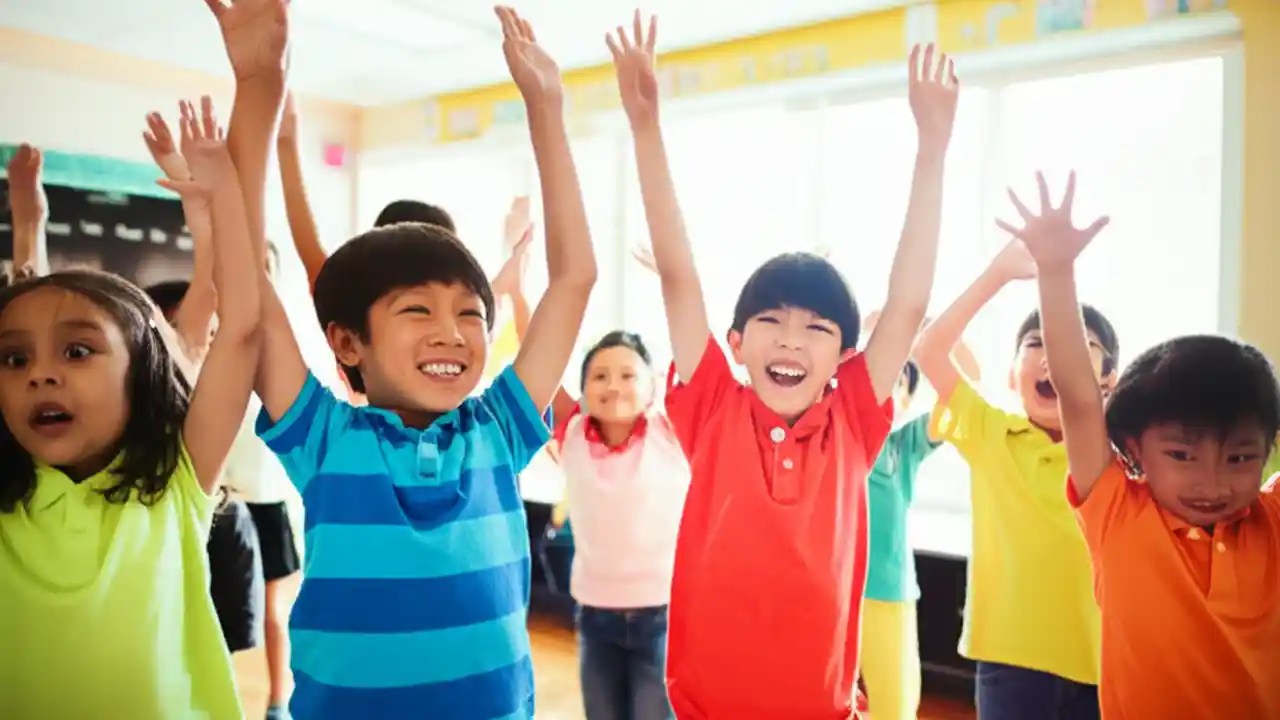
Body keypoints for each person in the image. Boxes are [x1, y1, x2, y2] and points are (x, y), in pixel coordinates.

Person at [238, 5, 597, 717]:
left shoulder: (497, 430)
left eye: (469, 313)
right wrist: (258, 91)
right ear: (348, 344)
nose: (452, 333)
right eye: (418, 311)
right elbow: (249, 286)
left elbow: (573, 278)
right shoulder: (326, 437)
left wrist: (547, 111)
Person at [612, 10, 960, 715]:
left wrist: (932, 149)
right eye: (770, 322)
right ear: (736, 343)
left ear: (845, 356)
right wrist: (645, 127)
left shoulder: (855, 419)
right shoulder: (712, 405)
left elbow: (908, 302)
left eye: (816, 329)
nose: (791, 341)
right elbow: (680, 277)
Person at [0, 94, 260, 719]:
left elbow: (242, 327)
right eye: (14, 361)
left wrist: (219, 201)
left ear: (142, 373)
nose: (40, 375)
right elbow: (34, 313)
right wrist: (28, 223)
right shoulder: (11, 496)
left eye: (78, 352)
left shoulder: (174, 482)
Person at [1009, 170, 1280, 719]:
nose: (1211, 482)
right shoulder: (1119, 516)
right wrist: (1055, 271)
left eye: (1239, 457)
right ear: (1134, 448)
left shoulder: (1270, 519)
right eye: (1181, 455)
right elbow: (1079, 398)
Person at [913, 231, 1117, 718]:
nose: (1052, 355)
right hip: (1010, 661)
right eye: (1035, 343)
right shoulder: (991, 433)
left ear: (1109, 381)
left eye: (1079, 344)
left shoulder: (1117, 453)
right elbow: (929, 351)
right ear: (1011, 374)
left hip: (1100, 661)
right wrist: (998, 274)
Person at [513, 237, 687, 720]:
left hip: (663, 618)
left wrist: (671, 283)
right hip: (595, 618)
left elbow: (694, 354)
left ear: (651, 384)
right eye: (600, 376)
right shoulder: (572, 433)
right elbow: (539, 360)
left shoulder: (670, 434)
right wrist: (516, 293)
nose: (613, 386)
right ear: (585, 388)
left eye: (628, 375)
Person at [858, 309, 980, 720]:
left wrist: (930, 327)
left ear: (907, 399)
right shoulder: (835, 432)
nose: (885, 390)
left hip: (888, 592)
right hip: (830, 591)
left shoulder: (906, 443)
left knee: (894, 706)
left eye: (897, 383)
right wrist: (871, 332)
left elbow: (967, 389)